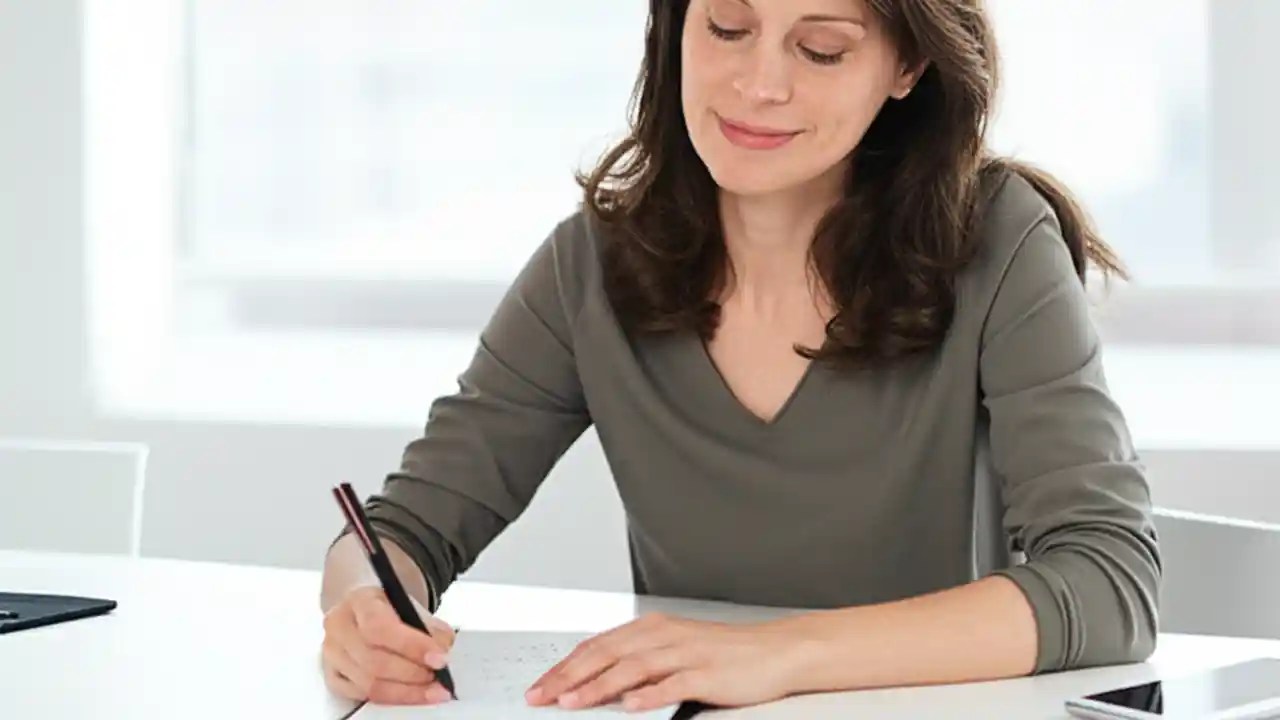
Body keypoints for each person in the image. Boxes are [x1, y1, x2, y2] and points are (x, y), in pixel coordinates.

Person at [319, 0, 1161, 712]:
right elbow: (402, 532)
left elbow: (1108, 583)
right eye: (726, 28)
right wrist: (362, 605)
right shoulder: (591, 267)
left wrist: (774, 656)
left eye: (821, 48)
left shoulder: (998, 240)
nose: (761, 85)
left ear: (906, 67)